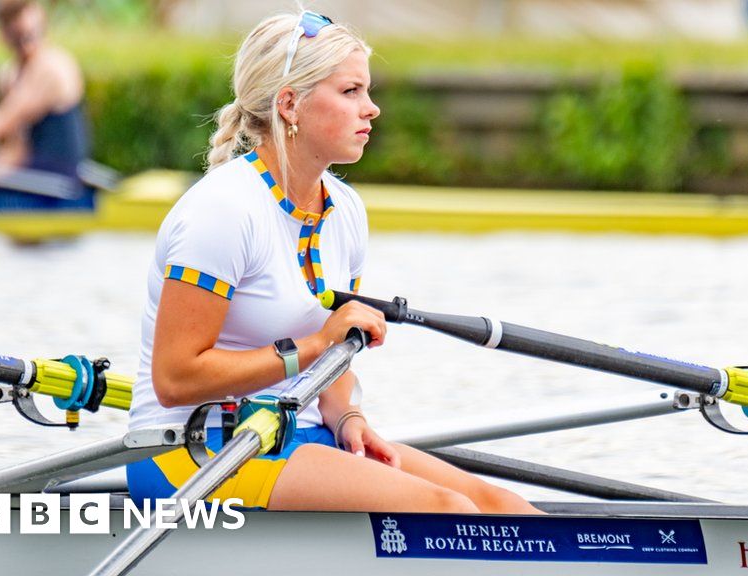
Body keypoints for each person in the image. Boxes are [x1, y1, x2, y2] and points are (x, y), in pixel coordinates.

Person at [126, 10, 541, 515]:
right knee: (448, 510)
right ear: (290, 105)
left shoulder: (344, 210)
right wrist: (315, 345)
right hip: (190, 450)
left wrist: (348, 418)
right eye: (351, 92)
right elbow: (175, 379)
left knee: (504, 506)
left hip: (293, 433)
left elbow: (335, 350)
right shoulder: (224, 211)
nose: (372, 109)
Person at [0, 0, 93, 210]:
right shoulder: (9, 75)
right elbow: (16, 149)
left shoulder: (54, 66)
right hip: (29, 179)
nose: (22, 23)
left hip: (60, 190)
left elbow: (3, 122)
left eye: (22, 14)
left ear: (39, 16)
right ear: (2, 33)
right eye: (11, 19)